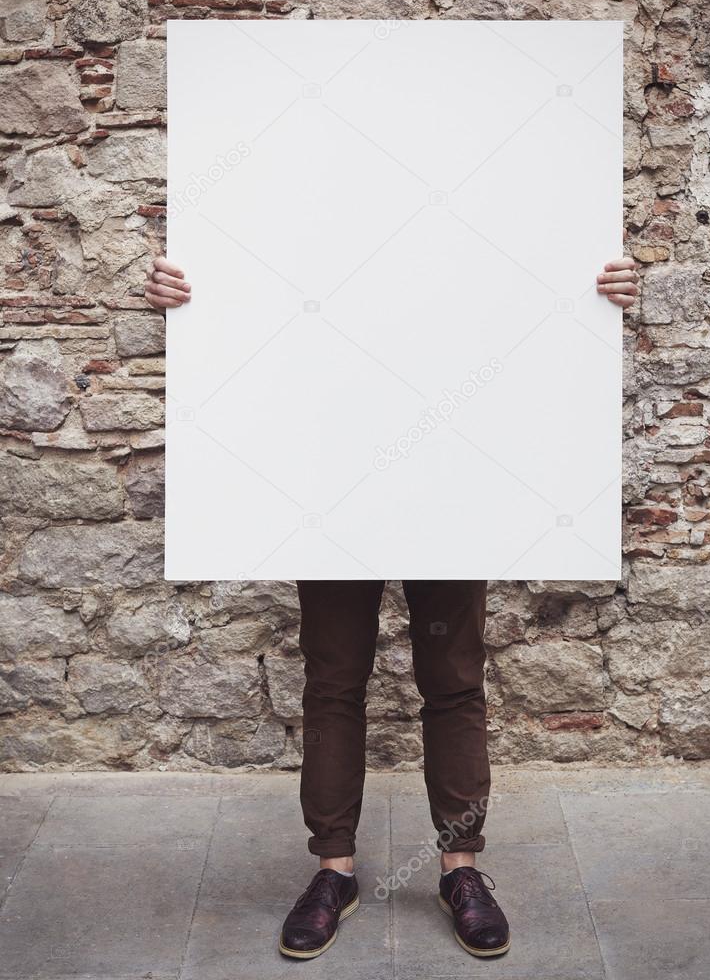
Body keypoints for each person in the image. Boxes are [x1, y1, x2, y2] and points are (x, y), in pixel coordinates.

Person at [145, 240, 639, 960]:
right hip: (334, 469)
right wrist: (196, 298)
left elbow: (528, 272)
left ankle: (460, 870)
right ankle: (333, 871)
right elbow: (263, 276)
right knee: (334, 681)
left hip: (452, 470)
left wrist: (596, 290)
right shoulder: (309, 191)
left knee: (454, 681)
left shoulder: (481, 200)